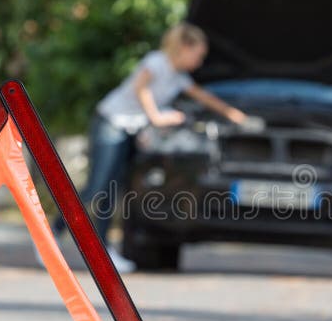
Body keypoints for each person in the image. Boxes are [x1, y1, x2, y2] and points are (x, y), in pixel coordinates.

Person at [53, 22, 248, 272]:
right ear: (185, 47)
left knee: (112, 192)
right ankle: (52, 234)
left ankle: (101, 252)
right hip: (111, 122)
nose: (200, 61)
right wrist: (155, 116)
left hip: (130, 130)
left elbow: (204, 97)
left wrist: (233, 114)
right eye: (198, 54)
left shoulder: (178, 78)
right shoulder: (157, 62)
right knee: (97, 186)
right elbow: (141, 87)